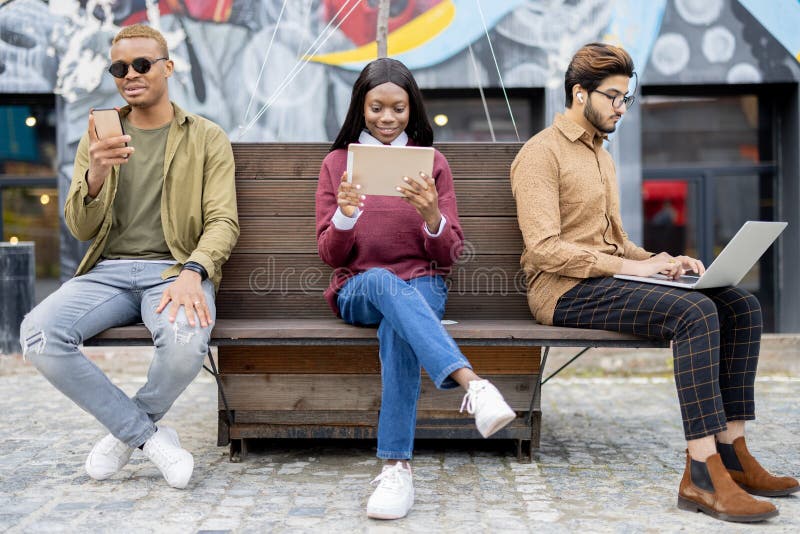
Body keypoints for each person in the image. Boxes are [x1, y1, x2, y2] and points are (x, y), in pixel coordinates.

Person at [510, 42, 798, 523]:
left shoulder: (601, 156)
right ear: (580, 94)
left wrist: (660, 261)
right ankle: (702, 473)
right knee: (694, 313)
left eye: (628, 97)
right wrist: (634, 269)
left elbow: (617, 245)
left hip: (604, 281)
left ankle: (734, 453)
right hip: (560, 292)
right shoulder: (540, 154)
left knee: (741, 305)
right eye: (614, 97)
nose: (622, 107)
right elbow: (544, 248)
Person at [20, 24, 239, 489]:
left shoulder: (205, 137)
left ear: (167, 67)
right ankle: (149, 438)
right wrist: (95, 174)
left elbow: (223, 221)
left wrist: (194, 270)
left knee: (185, 346)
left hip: (175, 269)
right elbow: (80, 228)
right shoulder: (100, 136)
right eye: (120, 67)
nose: (130, 74)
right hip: (108, 273)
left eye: (142, 64)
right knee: (38, 334)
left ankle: (127, 433)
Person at [316, 57, 516, 520]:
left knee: (398, 327)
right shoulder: (337, 164)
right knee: (385, 284)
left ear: (413, 110)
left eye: (399, 109)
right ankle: (473, 384)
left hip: (423, 283)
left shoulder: (433, 164)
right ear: (360, 109)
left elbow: (449, 254)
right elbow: (330, 255)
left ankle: (396, 468)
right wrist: (345, 215)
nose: (387, 119)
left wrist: (432, 216)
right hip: (358, 287)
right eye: (377, 108)